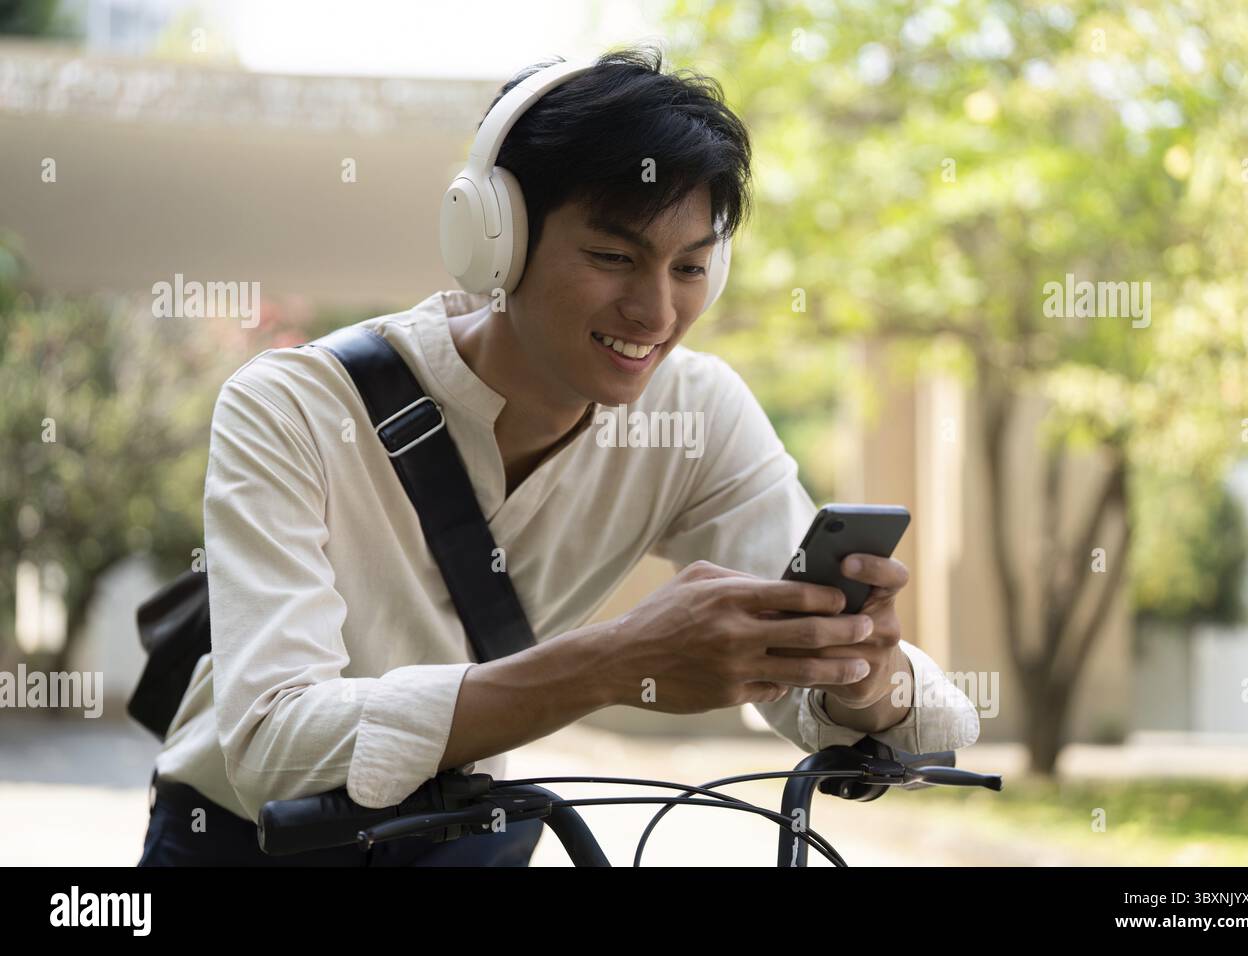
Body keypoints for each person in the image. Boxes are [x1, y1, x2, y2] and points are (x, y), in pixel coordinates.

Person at [139, 46, 979, 867]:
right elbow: (269, 747)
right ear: (494, 241)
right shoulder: (293, 406)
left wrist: (862, 683)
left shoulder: (698, 411)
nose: (655, 312)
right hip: (240, 842)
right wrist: (614, 663)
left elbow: (936, 722)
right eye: (613, 257)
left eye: (690, 267)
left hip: (463, 833)